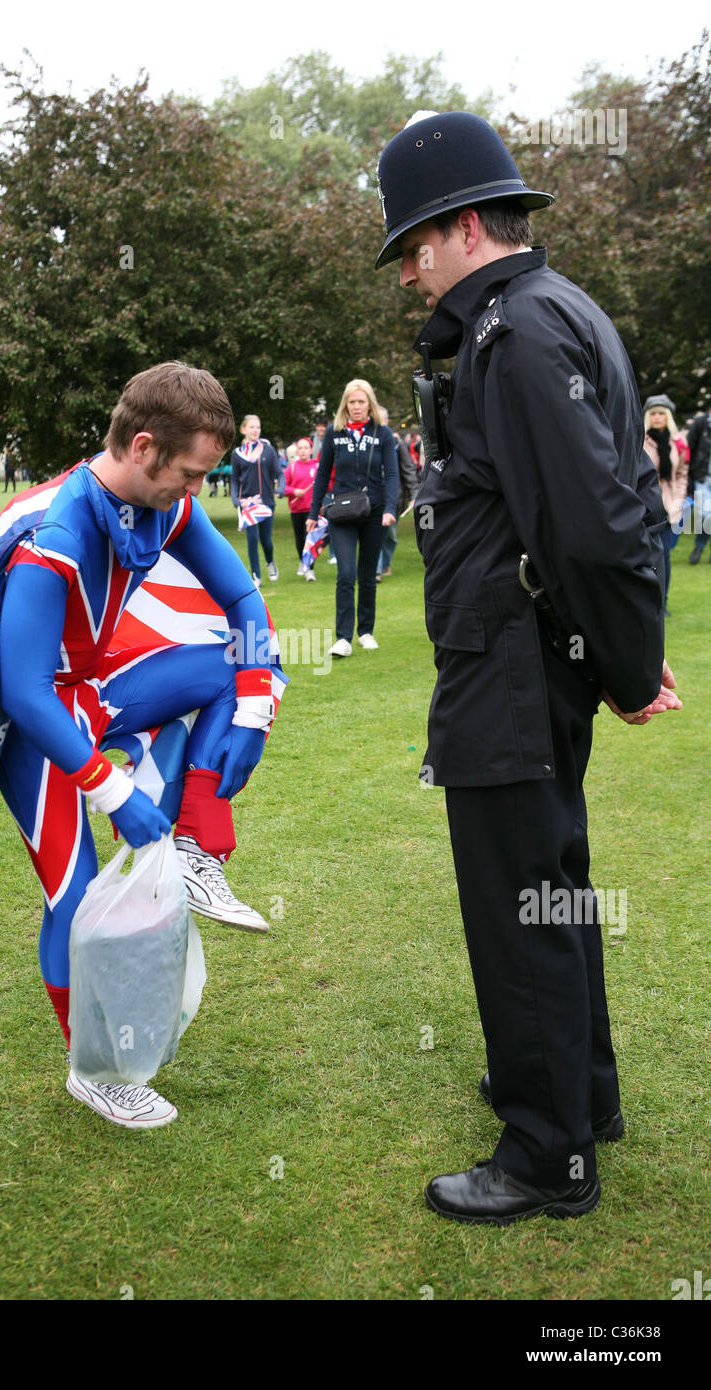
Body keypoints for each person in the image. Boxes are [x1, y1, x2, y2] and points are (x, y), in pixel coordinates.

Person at [375, 110, 679, 1224]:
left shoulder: (514, 333)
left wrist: (630, 666)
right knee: (548, 885)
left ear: (463, 227)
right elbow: (605, 508)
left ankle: (545, 1151)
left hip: (508, 663)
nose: (410, 274)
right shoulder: (557, 311)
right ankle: (573, 1096)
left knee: (519, 907)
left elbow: (597, 526)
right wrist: (618, 662)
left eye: (414, 246)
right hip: (524, 656)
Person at [0, 363, 278, 1129]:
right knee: (77, 897)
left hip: (92, 691)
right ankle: (96, 1068)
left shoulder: (159, 504)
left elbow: (242, 598)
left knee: (232, 670)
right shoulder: (57, 529)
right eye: (189, 474)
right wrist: (109, 788)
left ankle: (198, 844)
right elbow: (23, 691)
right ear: (144, 447)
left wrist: (254, 698)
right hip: (32, 725)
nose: (195, 491)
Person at [306, 379, 398, 657]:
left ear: (369, 403)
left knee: (368, 574)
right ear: (345, 405)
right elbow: (322, 474)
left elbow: (391, 474)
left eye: (361, 401)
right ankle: (343, 638)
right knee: (346, 574)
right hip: (342, 511)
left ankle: (366, 631)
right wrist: (313, 513)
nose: (356, 407)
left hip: (374, 512)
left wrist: (390, 509)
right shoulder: (334, 434)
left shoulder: (382, 433)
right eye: (352, 402)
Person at [642, 396, 689, 611]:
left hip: (670, 505)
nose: (657, 417)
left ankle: (663, 599)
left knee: (665, 555)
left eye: (661, 413)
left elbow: (681, 475)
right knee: (645, 554)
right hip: (645, 504)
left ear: (668, 416)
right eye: (653, 413)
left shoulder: (677, 442)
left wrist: (678, 500)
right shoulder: (640, 440)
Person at [230, 415, 281, 586]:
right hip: (248, 504)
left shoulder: (268, 450)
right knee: (252, 539)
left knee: (266, 540)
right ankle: (255, 576)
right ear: (243, 429)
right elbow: (234, 479)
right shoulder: (237, 454)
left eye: (258, 427)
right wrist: (236, 499)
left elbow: (279, 473)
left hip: (266, 502)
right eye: (251, 427)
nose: (255, 430)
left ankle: (270, 561)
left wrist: (280, 488)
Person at [376, 409, 417, 580]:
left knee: (390, 536)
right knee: (376, 534)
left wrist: (414, 494)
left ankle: (385, 564)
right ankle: (376, 571)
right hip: (374, 498)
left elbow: (408, 469)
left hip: (395, 498)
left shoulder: (397, 444)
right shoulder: (368, 442)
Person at [284, 436, 319, 581]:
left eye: (306, 448)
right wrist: (294, 491)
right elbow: (283, 487)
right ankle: (302, 561)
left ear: (311, 450)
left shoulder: (317, 467)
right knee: (300, 540)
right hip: (296, 510)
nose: (303, 451)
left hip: (312, 510)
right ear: (297, 451)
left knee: (310, 540)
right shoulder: (291, 468)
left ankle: (310, 569)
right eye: (300, 448)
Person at [686, 407, 711, 563]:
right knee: (706, 514)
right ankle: (699, 546)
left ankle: (699, 548)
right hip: (702, 477)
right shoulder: (700, 423)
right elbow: (689, 449)